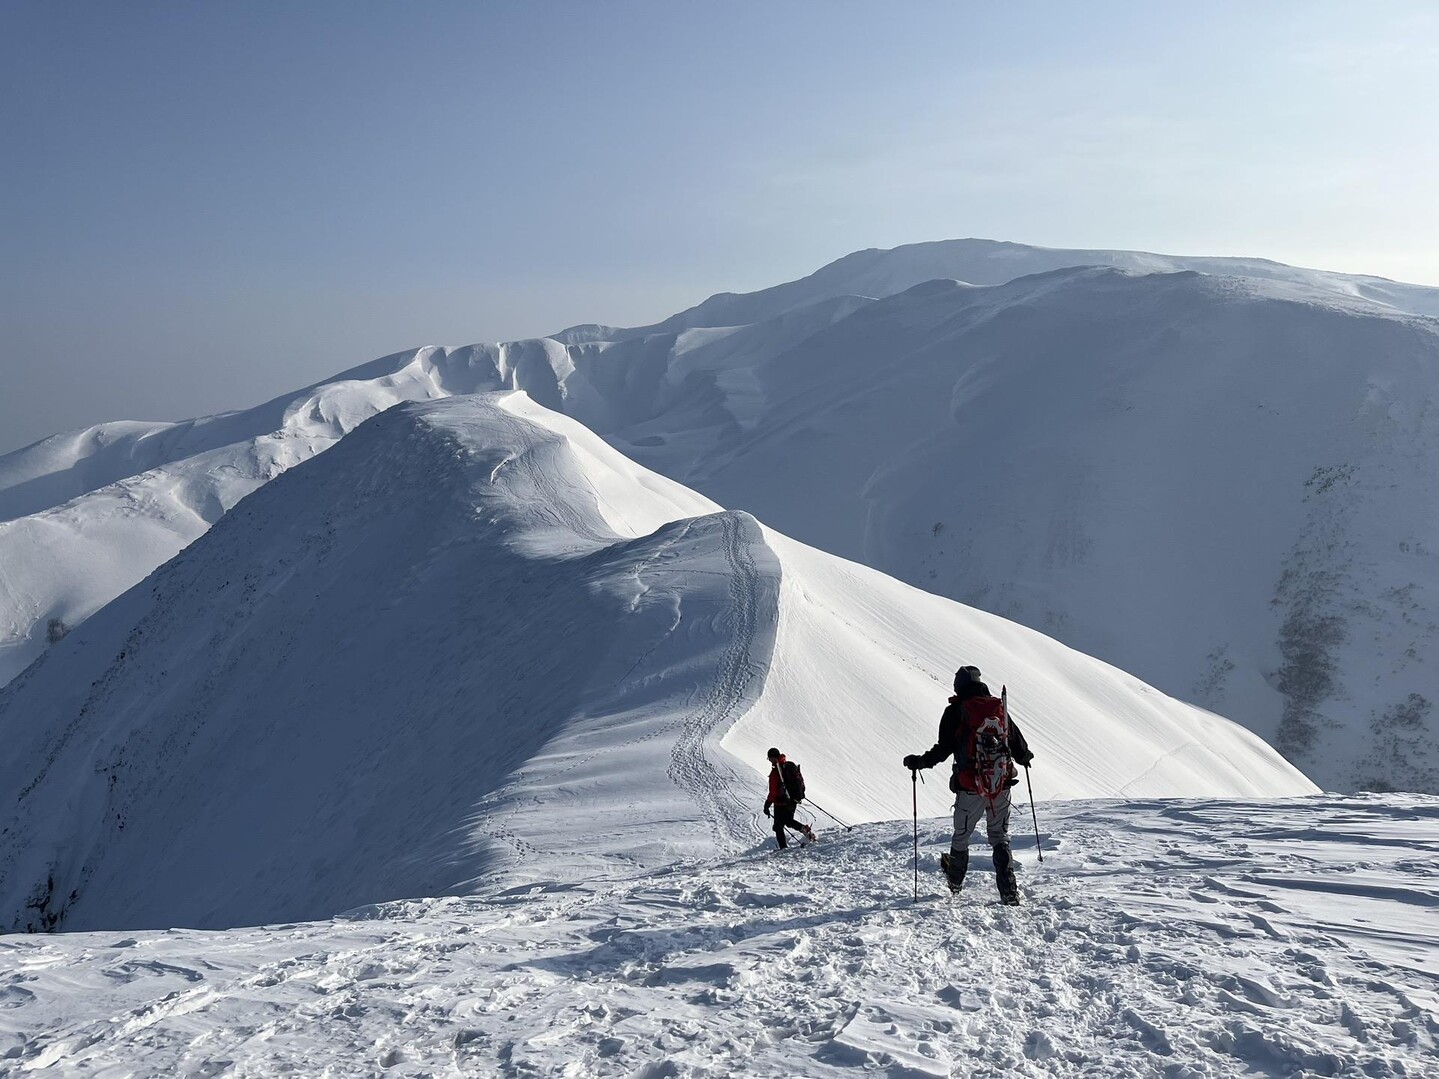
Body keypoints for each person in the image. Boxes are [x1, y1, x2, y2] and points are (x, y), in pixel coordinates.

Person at [902, 666, 1034, 904]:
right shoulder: (998, 708)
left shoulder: (955, 711)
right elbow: (1017, 742)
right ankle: (1009, 892)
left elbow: (943, 749)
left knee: (961, 836)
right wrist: (1025, 758)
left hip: (969, 786)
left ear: (958, 685)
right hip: (1000, 785)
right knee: (1000, 836)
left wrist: (918, 763)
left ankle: (955, 883)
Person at [763, 747, 815, 849]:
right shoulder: (788, 766)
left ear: (773, 758)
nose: (769, 761)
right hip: (792, 800)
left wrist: (767, 804)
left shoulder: (776, 771)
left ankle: (783, 849)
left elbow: (773, 791)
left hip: (780, 802)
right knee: (788, 821)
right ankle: (804, 829)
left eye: (769, 759)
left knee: (778, 827)